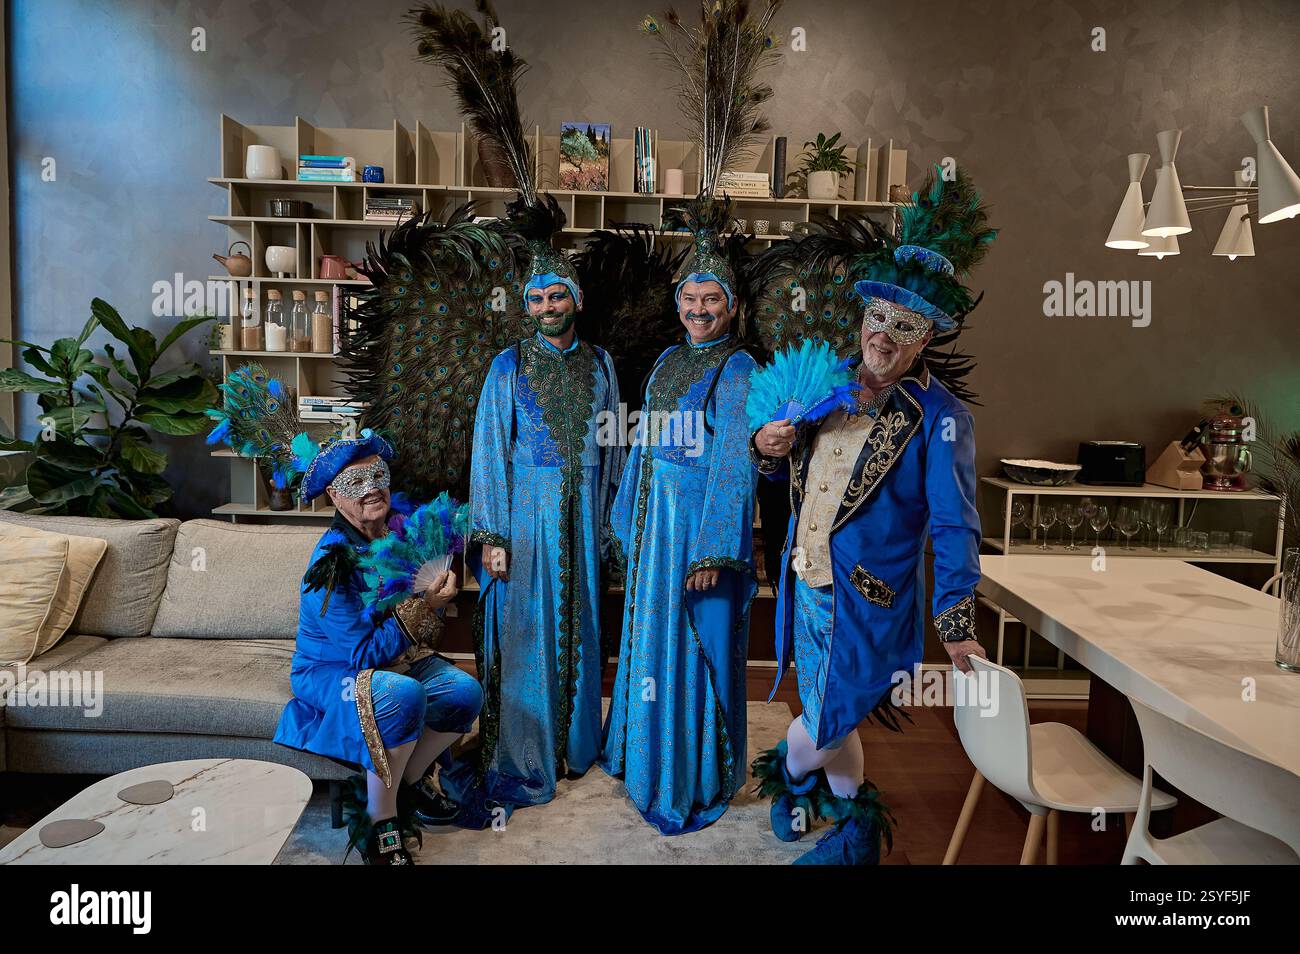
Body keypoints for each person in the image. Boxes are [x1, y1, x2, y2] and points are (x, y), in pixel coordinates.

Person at [750, 169, 995, 865]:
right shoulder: (825, 387)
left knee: (829, 715)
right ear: (864, 319)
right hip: (804, 579)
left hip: (867, 597)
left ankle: (795, 782)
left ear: (925, 339)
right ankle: (848, 815)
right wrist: (768, 447)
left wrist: (954, 625)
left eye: (905, 326)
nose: (884, 337)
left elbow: (954, 526)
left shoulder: (942, 419)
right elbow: (791, 470)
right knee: (830, 706)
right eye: (878, 318)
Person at [444, 197, 624, 814]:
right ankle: (529, 749)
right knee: (529, 635)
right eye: (537, 299)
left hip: (584, 518)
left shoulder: (602, 364)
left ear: (577, 300)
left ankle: (576, 748)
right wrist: (492, 534)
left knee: (584, 628)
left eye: (558, 296)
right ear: (528, 306)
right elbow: (489, 451)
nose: (548, 308)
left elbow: (613, 446)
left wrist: (610, 525)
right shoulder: (508, 366)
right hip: (526, 520)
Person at [600, 205, 758, 834]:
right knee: (651, 639)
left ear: (732, 306)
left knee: (695, 645)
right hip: (655, 523)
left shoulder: (738, 367)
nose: (698, 308)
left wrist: (712, 550)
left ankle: (690, 772)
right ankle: (644, 755)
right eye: (689, 297)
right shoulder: (667, 361)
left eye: (710, 298)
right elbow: (643, 442)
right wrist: (629, 515)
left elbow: (733, 462)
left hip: (695, 530)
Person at [273, 429, 483, 865]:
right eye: (355, 483)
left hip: (397, 658)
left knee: (466, 692)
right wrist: (423, 606)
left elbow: (424, 634)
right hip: (335, 671)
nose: (371, 489)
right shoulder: (330, 565)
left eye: (377, 475)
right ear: (333, 495)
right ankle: (380, 821)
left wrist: (433, 607)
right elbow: (362, 655)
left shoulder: (399, 535)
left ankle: (407, 783)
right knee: (403, 694)